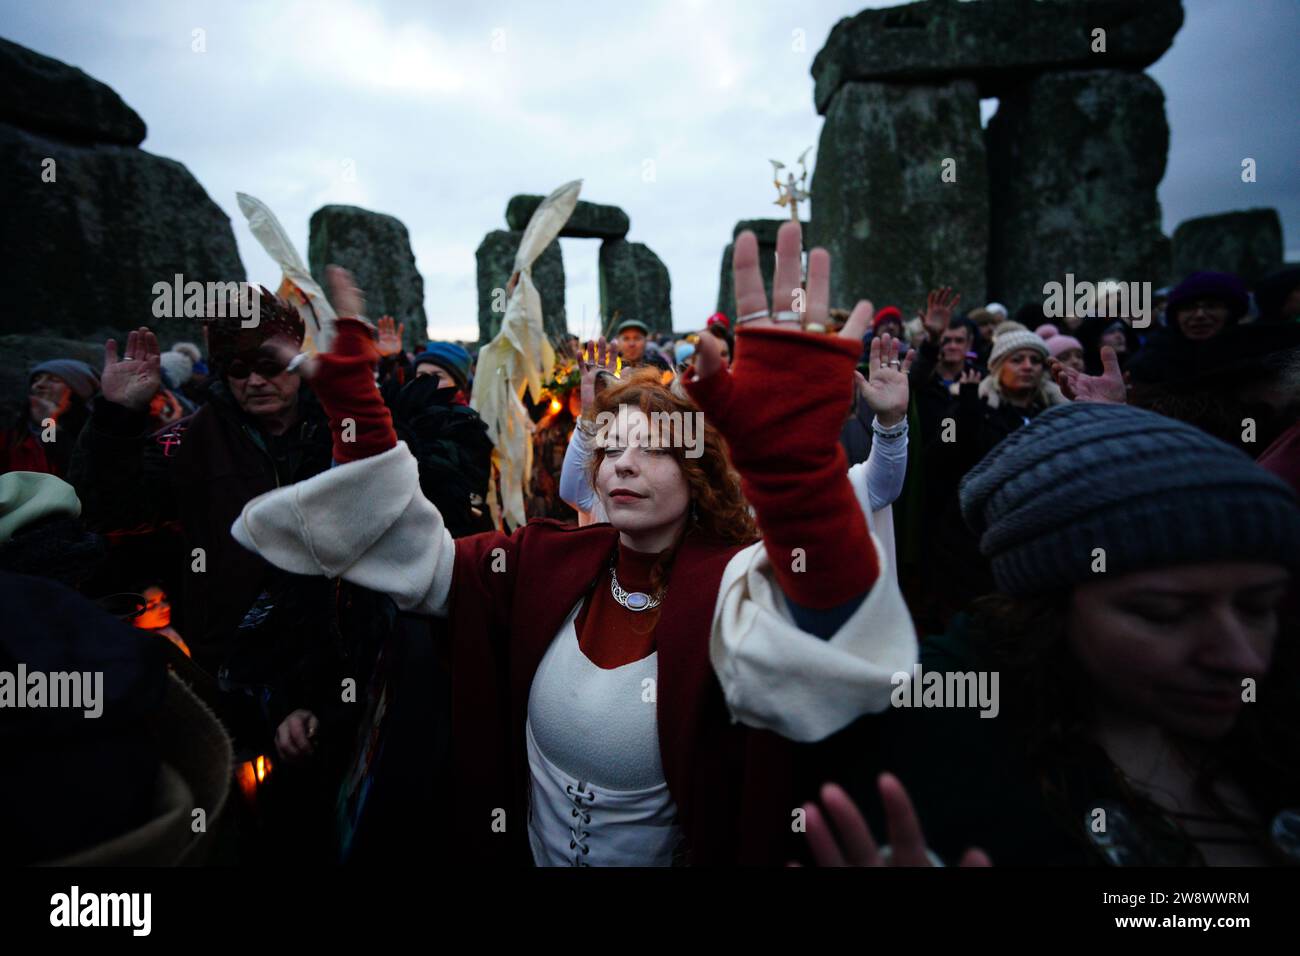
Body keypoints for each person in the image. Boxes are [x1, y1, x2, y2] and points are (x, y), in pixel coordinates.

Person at [230, 222, 918, 866]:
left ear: (700, 473)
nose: (620, 463)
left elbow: (840, 659)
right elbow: (418, 554)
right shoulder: (541, 559)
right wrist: (359, 407)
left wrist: (795, 472)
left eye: (649, 451)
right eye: (610, 448)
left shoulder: (737, 584)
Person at [847, 401, 1300, 865]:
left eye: (1257, 606)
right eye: (1164, 612)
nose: (1242, 658)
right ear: (1048, 606)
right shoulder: (934, 737)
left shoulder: (1278, 720)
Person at [1, 359, 99, 478]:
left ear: (75, 392)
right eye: (36, 379)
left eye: (54, 380)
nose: (39, 385)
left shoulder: (94, 434)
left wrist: (49, 423)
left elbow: (75, 471)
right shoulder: (12, 432)